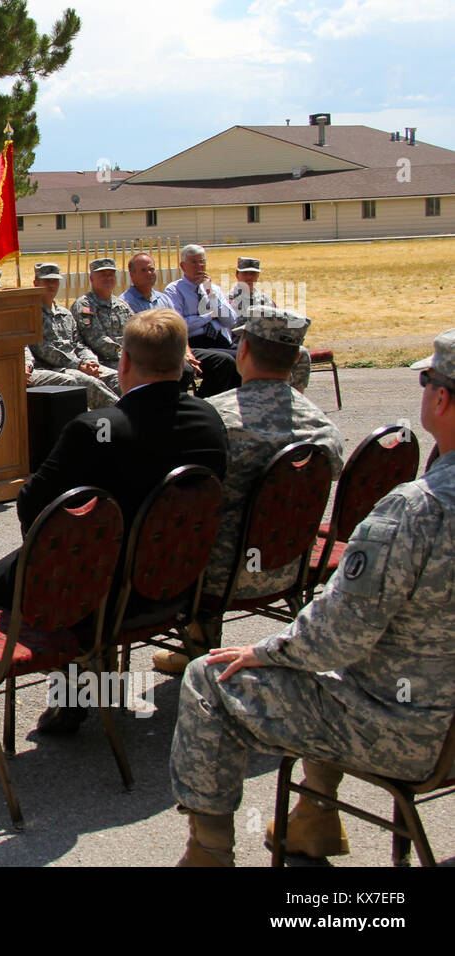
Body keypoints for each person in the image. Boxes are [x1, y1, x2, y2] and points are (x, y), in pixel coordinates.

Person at [170, 328, 455, 866]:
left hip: (407, 731)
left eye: (426, 380)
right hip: (437, 716)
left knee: (210, 679)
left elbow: (333, 637)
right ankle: (312, 820)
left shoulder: (416, 511)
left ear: (440, 397)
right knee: (341, 667)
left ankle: (207, 856)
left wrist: (261, 652)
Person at [0, 309, 228, 745]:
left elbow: (34, 509)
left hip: (94, 595)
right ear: (183, 361)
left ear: (123, 363)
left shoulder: (97, 429)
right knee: (85, 563)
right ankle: (73, 696)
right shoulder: (209, 421)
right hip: (175, 588)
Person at [151, 308, 344, 675]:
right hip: (292, 567)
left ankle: (197, 642)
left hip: (215, 577)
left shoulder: (210, 420)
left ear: (243, 351)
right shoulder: (323, 428)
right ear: (296, 359)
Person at [28, 262, 121, 409]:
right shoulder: (30, 314)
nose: (51, 285)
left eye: (55, 281)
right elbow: (44, 350)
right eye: (47, 281)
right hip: (53, 368)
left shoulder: (65, 314)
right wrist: (79, 365)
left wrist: (90, 361)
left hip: (79, 364)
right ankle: (122, 413)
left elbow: (78, 343)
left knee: (116, 378)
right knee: (91, 383)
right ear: (35, 283)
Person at [0, 261, 75, 390]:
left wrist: (26, 366)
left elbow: (22, 345)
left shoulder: (5, 314)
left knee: (68, 382)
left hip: (19, 369)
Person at [164, 244, 241, 397]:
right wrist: (208, 317)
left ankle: (233, 401)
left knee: (248, 357)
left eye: (202, 262)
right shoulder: (174, 290)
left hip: (220, 340)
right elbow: (180, 325)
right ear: (182, 266)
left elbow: (230, 321)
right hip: (196, 343)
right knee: (226, 361)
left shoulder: (214, 289)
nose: (199, 266)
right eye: (194, 262)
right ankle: (206, 401)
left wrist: (211, 295)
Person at [228, 256, 311, 392]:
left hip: (269, 342)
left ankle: (296, 394)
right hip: (243, 343)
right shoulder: (227, 299)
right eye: (245, 273)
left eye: (253, 273)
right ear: (237, 275)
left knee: (301, 352)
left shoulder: (265, 299)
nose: (249, 277)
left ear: (258, 276)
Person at [122, 252, 205, 386]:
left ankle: (203, 401)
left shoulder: (164, 299)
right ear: (132, 275)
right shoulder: (126, 303)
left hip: (176, 350)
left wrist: (187, 353)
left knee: (224, 361)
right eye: (143, 270)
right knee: (186, 370)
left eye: (151, 269)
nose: (149, 273)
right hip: (151, 355)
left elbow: (179, 330)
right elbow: (137, 341)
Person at [72, 257, 133, 367]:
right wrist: (126, 355)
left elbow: (135, 331)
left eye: (111, 274)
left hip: (127, 358)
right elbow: (95, 338)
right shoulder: (85, 305)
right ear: (91, 278)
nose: (108, 278)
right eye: (103, 275)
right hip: (100, 362)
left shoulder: (122, 305)